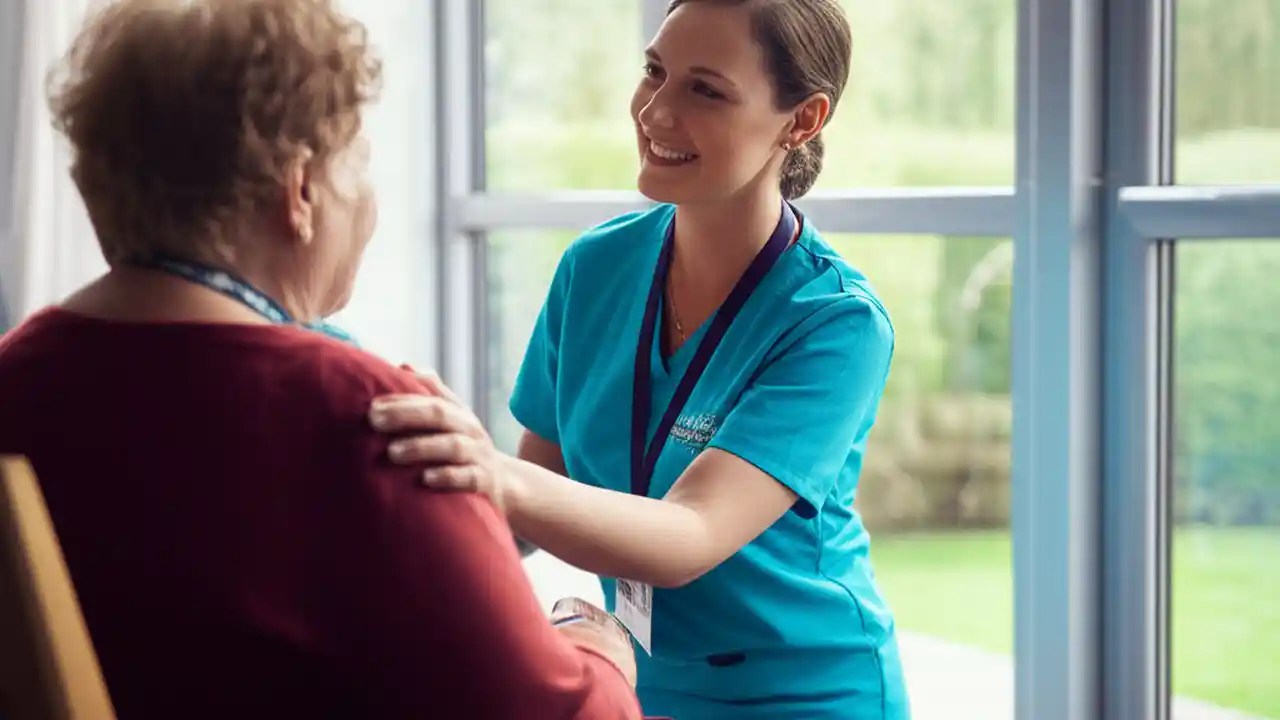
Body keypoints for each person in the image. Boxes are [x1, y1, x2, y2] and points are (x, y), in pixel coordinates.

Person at [0, 1, 642, 717]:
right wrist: (599, 651)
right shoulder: (367, 419)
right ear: (301, 191)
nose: (368, 203)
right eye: (360, 166)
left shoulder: (15, 379)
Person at [369, 0, 909, 718]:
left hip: (805, 693)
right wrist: (390, 521)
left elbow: (691, 533)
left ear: (802, 120)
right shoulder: (595, 267)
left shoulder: (837, 324)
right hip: (635, 685)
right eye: (654, 72)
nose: (654, 113)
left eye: (704, 90)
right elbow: (531, 504)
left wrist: (489, 471)